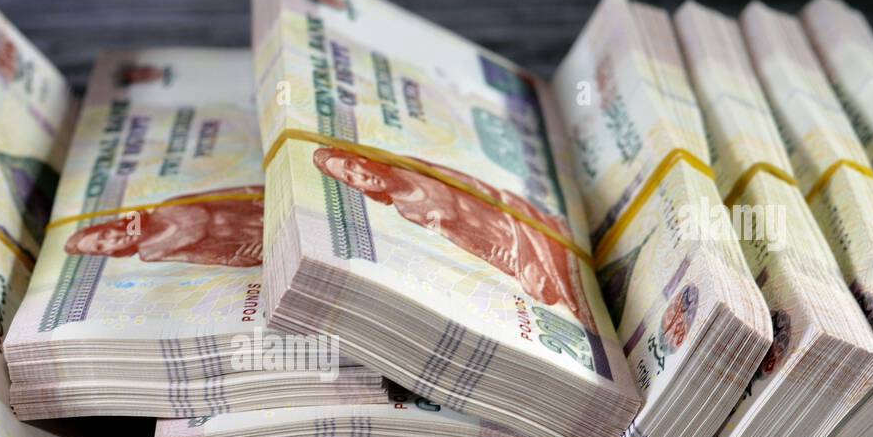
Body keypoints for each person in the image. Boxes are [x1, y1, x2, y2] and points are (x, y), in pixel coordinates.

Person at [311, 146, 595, 330]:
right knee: (548, 289)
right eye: (350, 178)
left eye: (352, 164)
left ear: (361, 157)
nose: (360, 174)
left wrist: (517, 216)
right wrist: (517, 267)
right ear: (356, 188)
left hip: (516, 217)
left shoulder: (408, 164)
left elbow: (473, 185)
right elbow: (473, 244)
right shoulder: (409, 210)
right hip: (514, 250)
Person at [65, 186, 264, 267]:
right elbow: (205, 258)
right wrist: (241, 258)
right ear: (109, 252)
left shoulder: (169, 207)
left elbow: (232, 194)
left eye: (104, 233)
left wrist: (263, 195)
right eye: (101, 247)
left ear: (111, 225)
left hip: (266, 207)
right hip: (261, 243)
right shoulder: (152, 253)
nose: (112, 240)